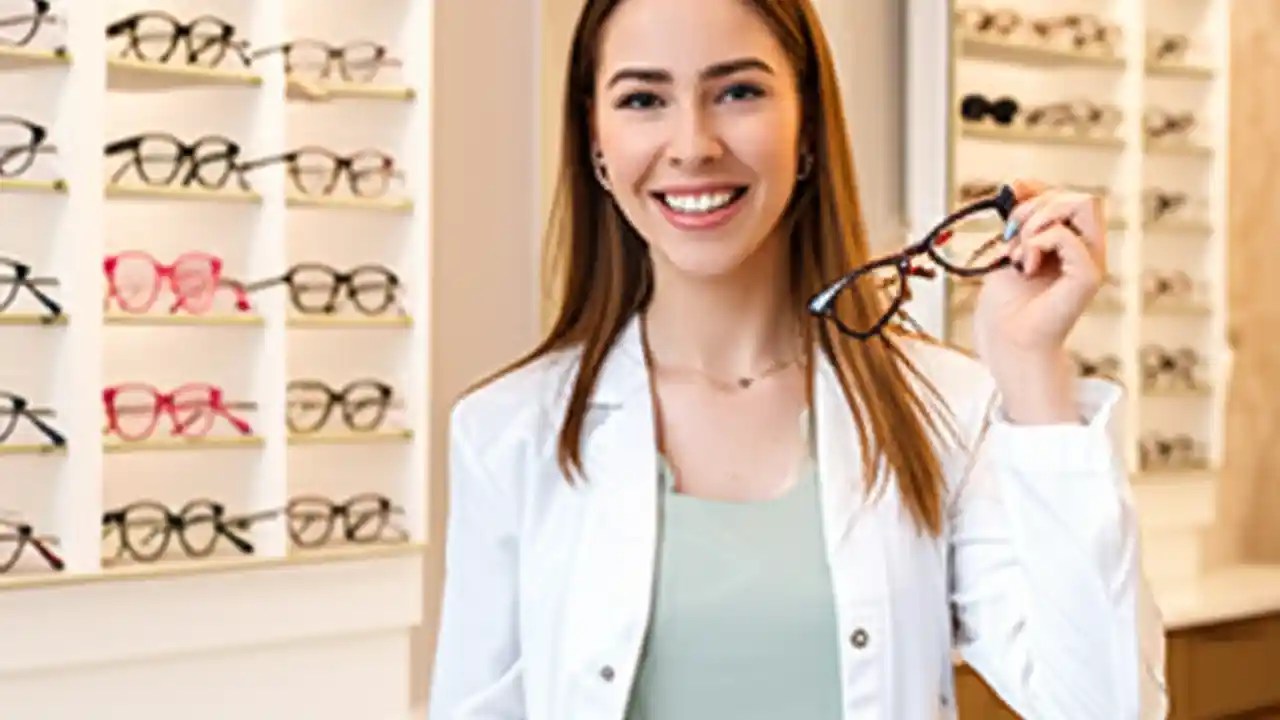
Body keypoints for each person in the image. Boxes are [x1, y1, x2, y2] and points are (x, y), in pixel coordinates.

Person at [428, 0, 1167, 717]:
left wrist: (1032, 369)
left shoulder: (941, 409)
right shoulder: (508, 433)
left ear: (807, 126)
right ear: (594, 141)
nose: (692, 143)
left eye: (738, 91)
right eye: (644, 99)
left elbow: (1105, 708)